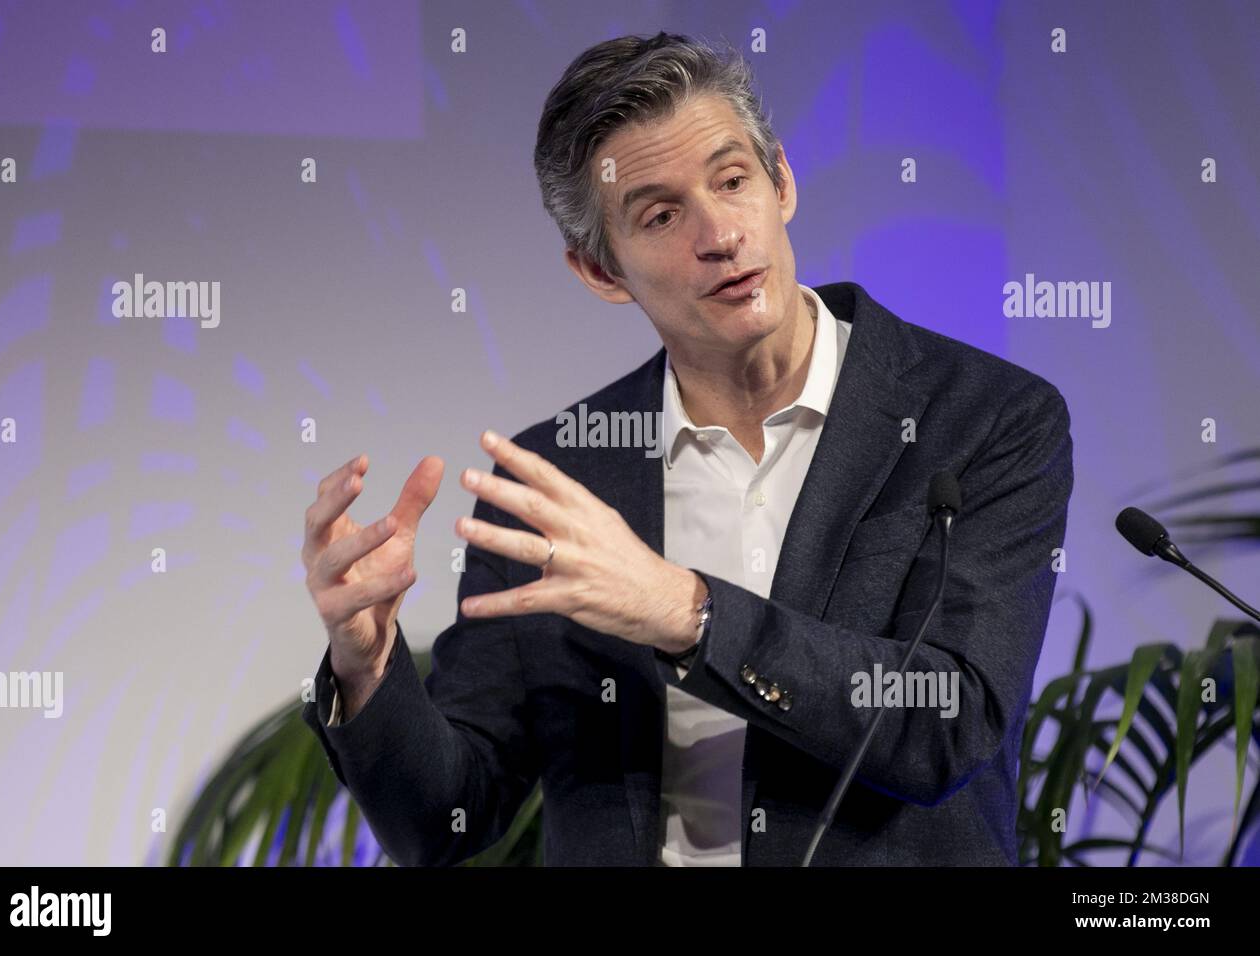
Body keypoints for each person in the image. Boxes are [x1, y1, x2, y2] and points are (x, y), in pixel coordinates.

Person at [299, 32, 1073, 866]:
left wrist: (685, 613)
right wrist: (368, 668)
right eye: (661, 215)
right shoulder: (559, 481)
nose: (719, 234)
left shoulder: (984, 419)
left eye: (732, 180)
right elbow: (448, 816)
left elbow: (947, 727)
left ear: (781, 181)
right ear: (600, 271)